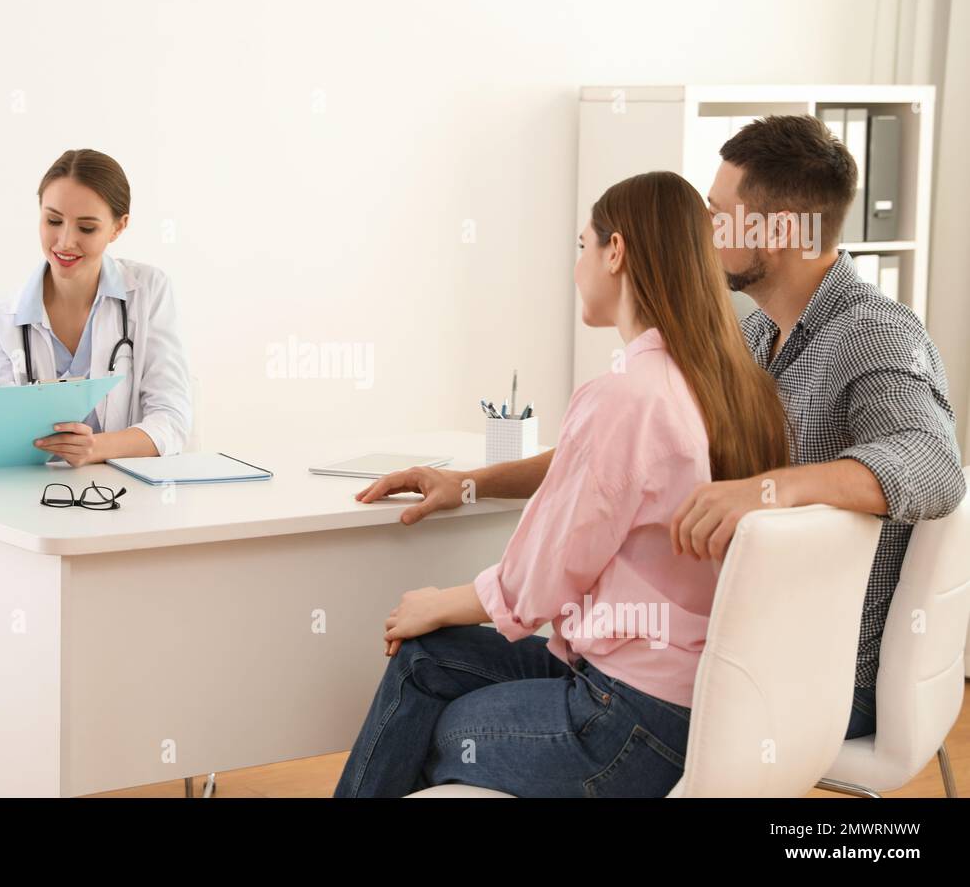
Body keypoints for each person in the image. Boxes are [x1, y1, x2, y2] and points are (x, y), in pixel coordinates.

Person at [333, 171, 789, 797]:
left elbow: (540, 580)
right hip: (700, 705)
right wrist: (469, 485)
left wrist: (435, 601)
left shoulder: (627, 396)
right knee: (425, 662)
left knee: (440, 723)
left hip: (627, 724)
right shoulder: (734, 387)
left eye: (583, 246)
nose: (578, 266)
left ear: (616, 251)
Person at [674, 114, 965, 738]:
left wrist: (768, 488)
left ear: (776, 233)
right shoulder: (755, 335)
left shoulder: (872, 331)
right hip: (755, 643)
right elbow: (655, 435)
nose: (705, 227)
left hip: (830, 680)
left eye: (717, 211)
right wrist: (479, 481)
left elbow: (933, 466)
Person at [0, 148, 192, 465]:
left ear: (118, 227)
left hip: (128, 498)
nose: (64, 241)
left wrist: (97, 449)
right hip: (35, 499)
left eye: (86, 228)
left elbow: (172, 420)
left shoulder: (149, 291)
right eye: (53, 220)